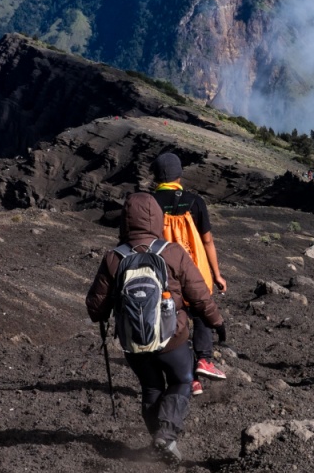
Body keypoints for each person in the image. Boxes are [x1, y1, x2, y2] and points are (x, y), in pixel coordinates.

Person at [86, 193, 224, 463]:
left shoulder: (113, 258)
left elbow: (95, 309)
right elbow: (199, 295)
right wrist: (216, 321)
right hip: (172, 338)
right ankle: (167, 435)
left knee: (151, 388)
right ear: (157, 218)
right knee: (181, 380)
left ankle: (160, 442)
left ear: (125, 222)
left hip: (133, 343)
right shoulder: (172, 252)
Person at [151, 153, 228, 392]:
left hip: (165, 273)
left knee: (175, 321)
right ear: (179, 174)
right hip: (195, 269)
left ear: (156, 176)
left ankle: (188, 376)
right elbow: (207, 241)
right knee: (201, 312)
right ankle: (204, 359)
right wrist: (216, 274)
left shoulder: (150, 202)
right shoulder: (195, 202)